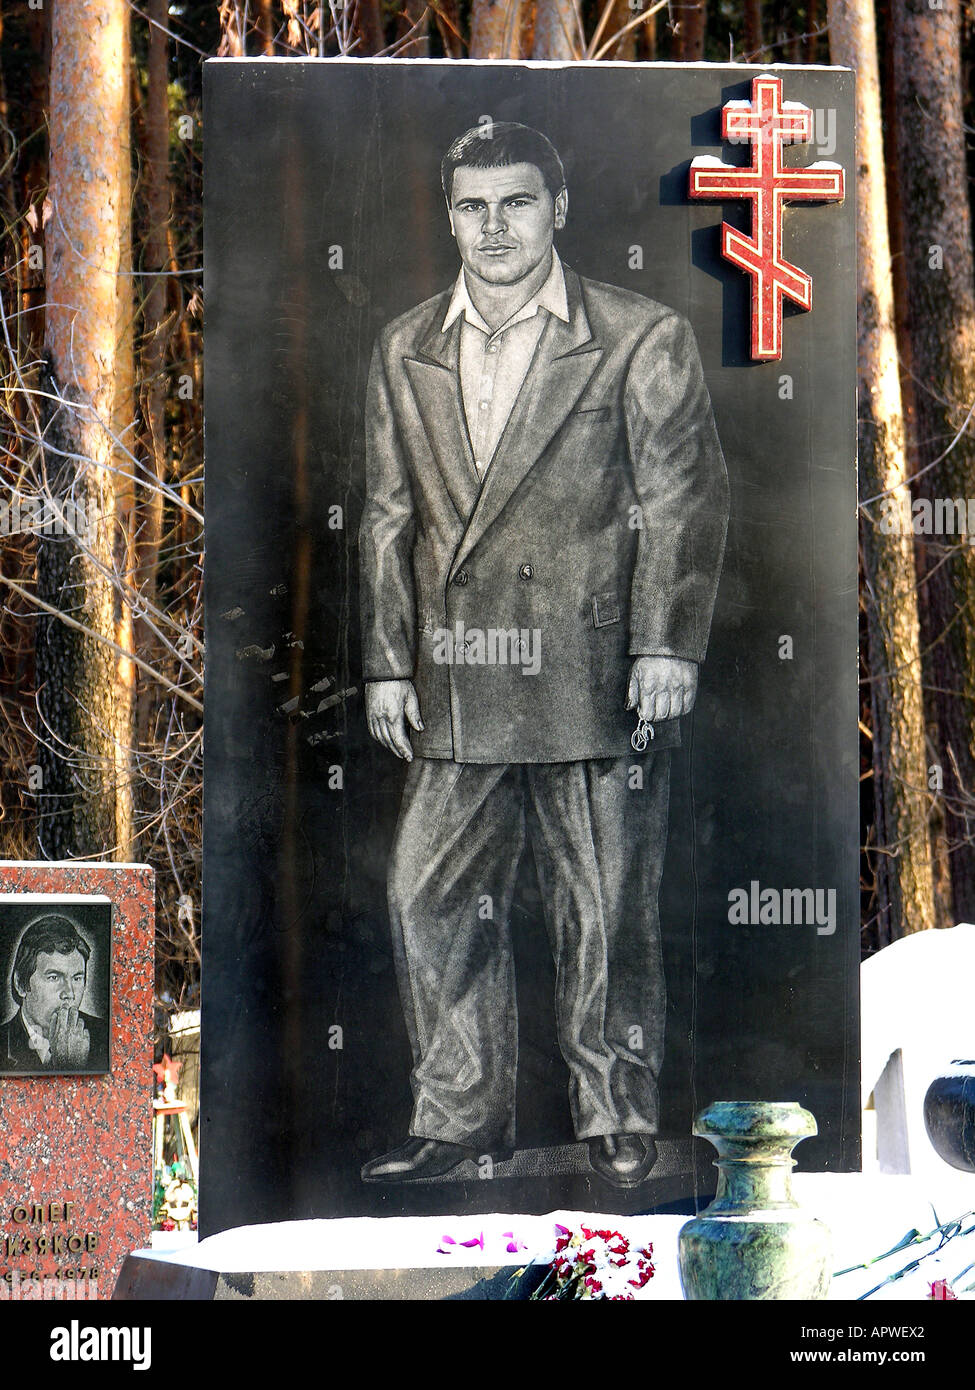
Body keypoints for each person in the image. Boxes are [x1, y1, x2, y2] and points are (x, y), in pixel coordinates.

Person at [358, 122, 728, 1186]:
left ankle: (617, 1117)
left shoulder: (634, 335)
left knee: (605, 903)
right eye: (473, 206)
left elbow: (681, 497)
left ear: (557, 209)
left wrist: (666, 642)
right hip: (457, 680)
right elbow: (386, 518)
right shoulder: (406, 347)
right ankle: (456, 1120)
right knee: (425, 895)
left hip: (594, 670)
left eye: (516, 203)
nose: (495, 227)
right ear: (449, 215)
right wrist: (388, 659)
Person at [0, 916, 107, 1072]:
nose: (69, 994)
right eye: (54, 977)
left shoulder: (104, 1034)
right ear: (20, 984)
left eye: (77, 978)